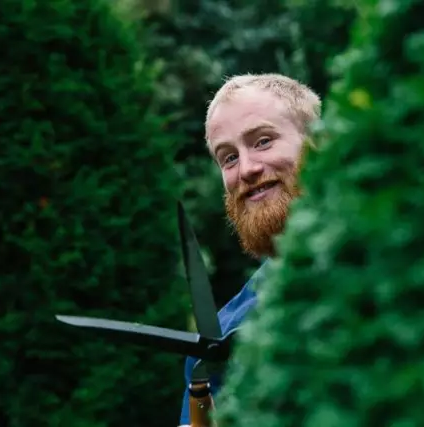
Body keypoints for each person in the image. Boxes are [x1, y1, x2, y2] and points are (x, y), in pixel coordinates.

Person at [178, 73, 321, 426]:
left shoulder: (391, 257)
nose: (247, 169)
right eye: (227, 158)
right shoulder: (220, 339)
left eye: (263, 141)